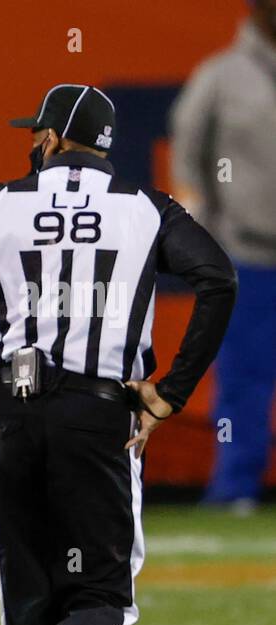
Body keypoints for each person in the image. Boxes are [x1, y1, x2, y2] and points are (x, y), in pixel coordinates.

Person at [0, 84, 236, 625]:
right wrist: (169, 390)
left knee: (31, 598)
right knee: (104, 592)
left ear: (48, 138)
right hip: (98, 412)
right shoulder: (146, 208)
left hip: (16, 408)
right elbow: (216, 277)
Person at [171, 0, 276, 511]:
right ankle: (236, 488)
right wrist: (199, 247)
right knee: (242, 381)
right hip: (247, 251)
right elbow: (188, 162)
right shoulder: (220, 77)